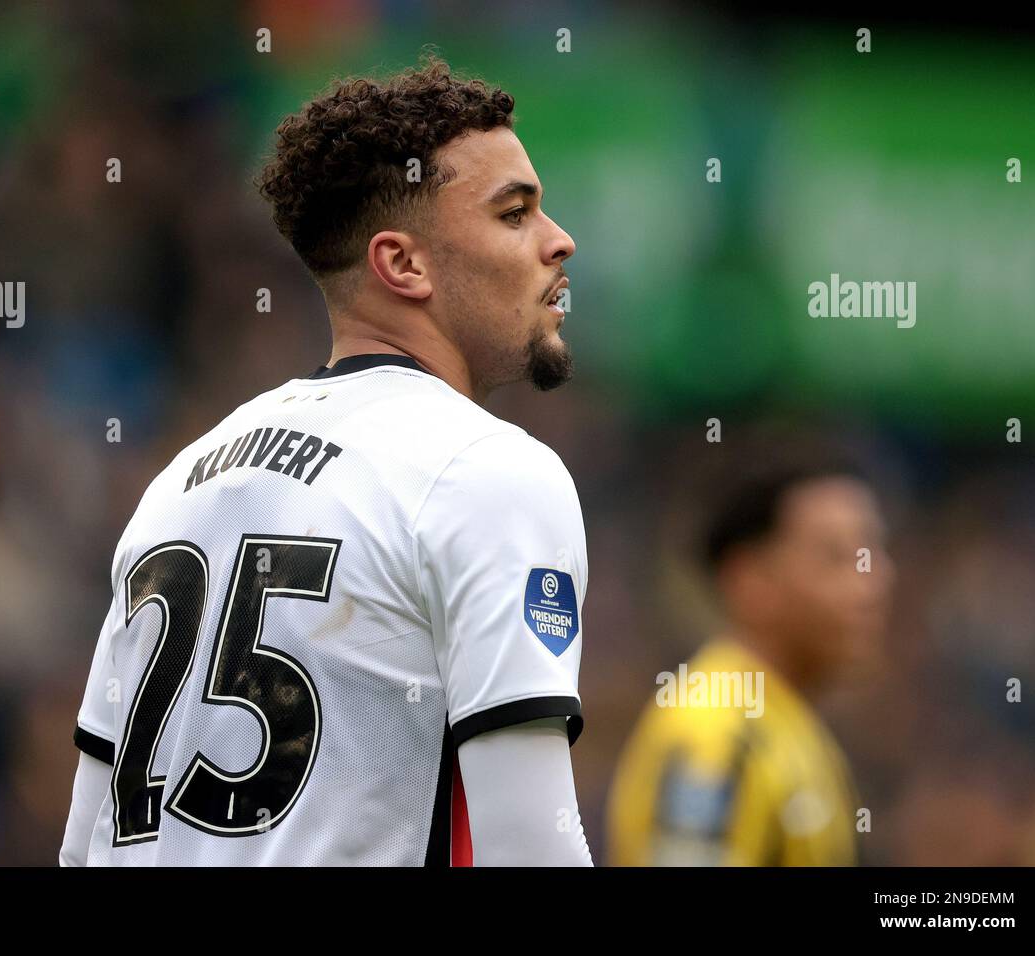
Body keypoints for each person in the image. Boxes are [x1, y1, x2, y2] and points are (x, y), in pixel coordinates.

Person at [60, 53, 591, 865]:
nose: (561, 241)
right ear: (402, 264)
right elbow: (531, 848)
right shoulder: (489, 471)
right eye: (514, 213)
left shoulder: (182, 480)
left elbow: (84, 846)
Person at [607, 460, 894, 865]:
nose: (874, 582)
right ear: (750, 580)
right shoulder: (715, 735)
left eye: (872, 553)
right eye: (836, 558)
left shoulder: (791, 727)